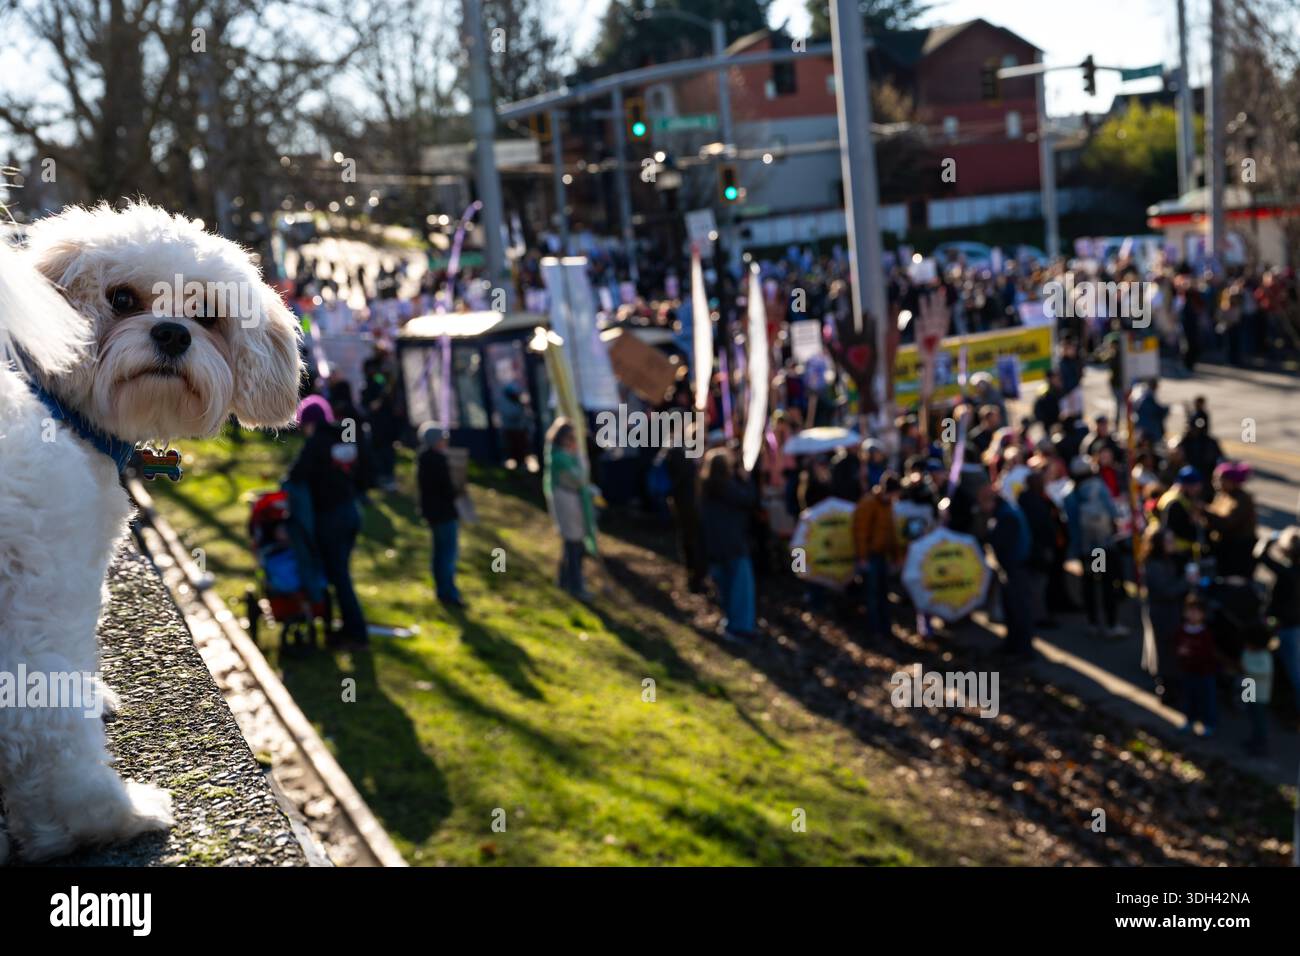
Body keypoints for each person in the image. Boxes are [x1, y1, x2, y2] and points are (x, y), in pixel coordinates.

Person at [289, 394, 373, 649]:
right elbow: (363, 472)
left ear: (309, 422)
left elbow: (296, 474)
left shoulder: (316, 442)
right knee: (341, 574)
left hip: (331, 517)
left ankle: (357, 634)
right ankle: (346, 626)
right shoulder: (343, 437)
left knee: (338, 577)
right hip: (351, 512)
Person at [698, 447, 757, 640]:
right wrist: (747, 480)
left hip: (714, 546)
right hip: (733, 545)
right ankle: (739, 627)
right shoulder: (727, 487)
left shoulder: (706, 487)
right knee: (740, 589)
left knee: (725, 587)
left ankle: (731, 622)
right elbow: (748, 500)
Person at [1064, 456, 1124, 637]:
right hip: (1101, 547)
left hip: (1086, 548)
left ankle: (1093, 622)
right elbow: (1114, 512)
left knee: (1090, 583)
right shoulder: (1098, 487)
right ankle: (1110, 624)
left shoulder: (1070, 495)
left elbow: (1072, 525)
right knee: (1105, 584)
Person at [979, 483, 1034, 658]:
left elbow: (1002, 544)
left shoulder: (1006, 516)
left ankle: (1022, 649)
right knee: (1011, 608)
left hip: (1015, 567)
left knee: (1018, 609)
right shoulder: (1004, 511)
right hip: (1013, 567)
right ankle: (1012, 644)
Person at [543, 418, 596, 601]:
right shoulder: (561, 458)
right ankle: (576, 586)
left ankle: (564, 581)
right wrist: (581, 458)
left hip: (572, 502)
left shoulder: (567, 457)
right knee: (574, 546)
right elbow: (579, 479)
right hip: (567, 504)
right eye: (571, 437)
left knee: (571, 545)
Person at [417, 423, 465, 609]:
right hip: (443, 514)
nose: (445, 441)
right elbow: (447, 489)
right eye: (442, 438)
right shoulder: (437, 461)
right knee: (447, 554)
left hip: (433, 514)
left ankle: (442, 590)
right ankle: (448, 593)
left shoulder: (424, 459)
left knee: (439, 554)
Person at [1256, 528, 1300, 727]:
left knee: (1290, 671)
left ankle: (1255, 706)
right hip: (1292, 626)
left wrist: (1270, 538)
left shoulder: (1286, 572)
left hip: (1284, 627)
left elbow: (1259, 555)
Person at [853, 473, 902, 639]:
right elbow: (860, 532)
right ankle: (874, 629)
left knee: (883, 593)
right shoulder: (869, 503)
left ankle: (886, 627)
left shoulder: (888, 505)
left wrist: (896, 554)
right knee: (872, 594)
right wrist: (862, 557)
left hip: (882, 555)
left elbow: (891, 531)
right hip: (871, 555)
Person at [1174, 594, 1219, 736]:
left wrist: (1191, 652)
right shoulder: (1182, 630)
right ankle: (1190, 720)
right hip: (1188, 671)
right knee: (1189, 699)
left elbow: (1209, 653)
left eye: (1197, 612)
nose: (1193, 615)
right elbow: (1176, 645)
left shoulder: (1206, 633)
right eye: (1190, 611)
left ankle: (1209, 724)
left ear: (1203, 615)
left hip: (1205, 673)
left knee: (1207, 700)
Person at [1204, 461, 1257, 578]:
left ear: (1232, 482)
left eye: (1220, 479)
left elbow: (1227, 523)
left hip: (1238, 549)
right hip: (1224, 546)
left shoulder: (1242, 500)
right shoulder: (1222, 494)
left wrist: (1204, 512)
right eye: (1215, 479)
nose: (1216, 483)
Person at [1241, 629, 1273, 756]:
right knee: (1252, 716)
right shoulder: (1248, 651)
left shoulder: (1265, 656)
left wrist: (1245, 669)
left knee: (1260, 719)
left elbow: (1263, 672)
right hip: (1249, 689)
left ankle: (1261, 744)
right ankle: (1254, 740)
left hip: (1260, 694)